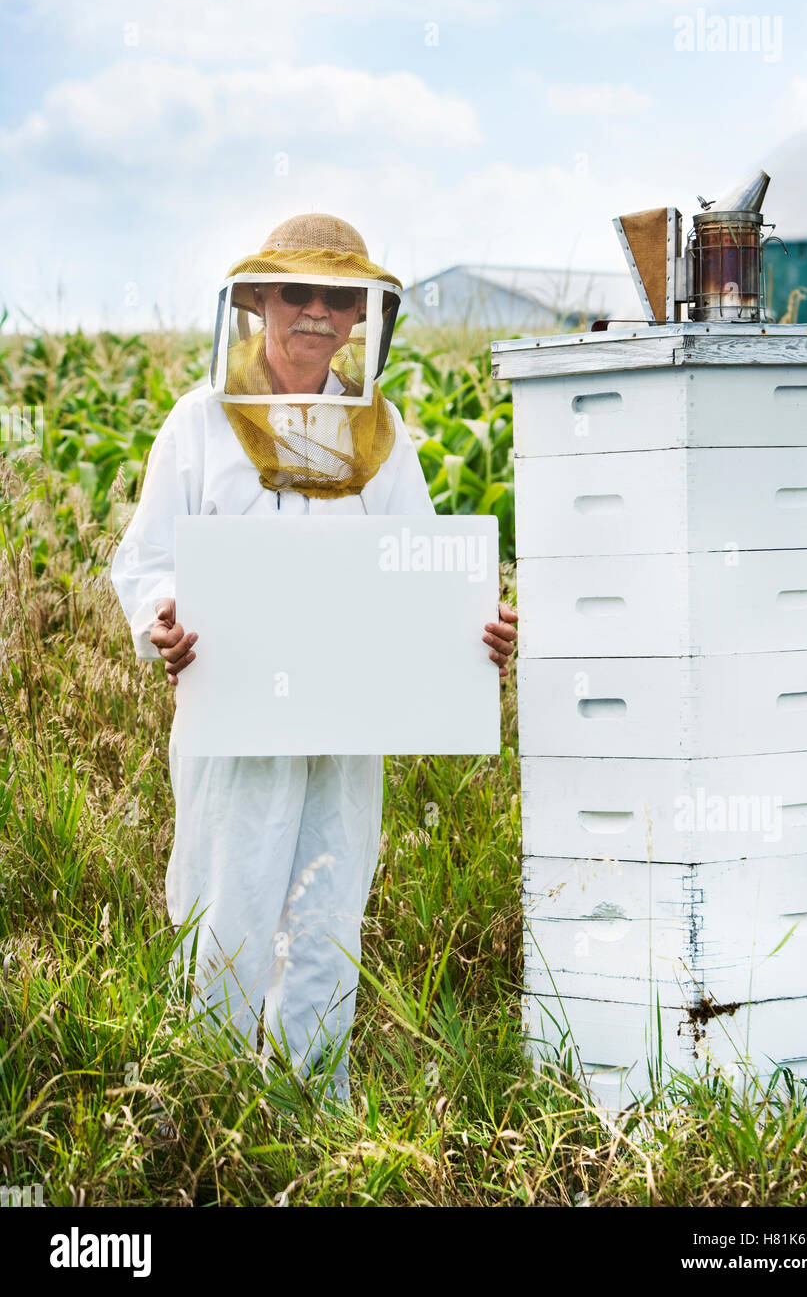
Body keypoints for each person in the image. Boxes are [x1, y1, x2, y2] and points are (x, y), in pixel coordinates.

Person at [110, 213, 517, 1101]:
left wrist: (473, 622)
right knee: (231, 906)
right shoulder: (200, 422)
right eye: (299, 292)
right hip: (236, 714)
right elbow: (143, 559)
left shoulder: (379, 427)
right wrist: (161, 615)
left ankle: (308, 1113)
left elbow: (420, 554)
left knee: (328, 915)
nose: (319, 314)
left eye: (340, 297)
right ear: (257, 302)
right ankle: (207, 1108)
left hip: (348, 716)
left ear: (362, 313)